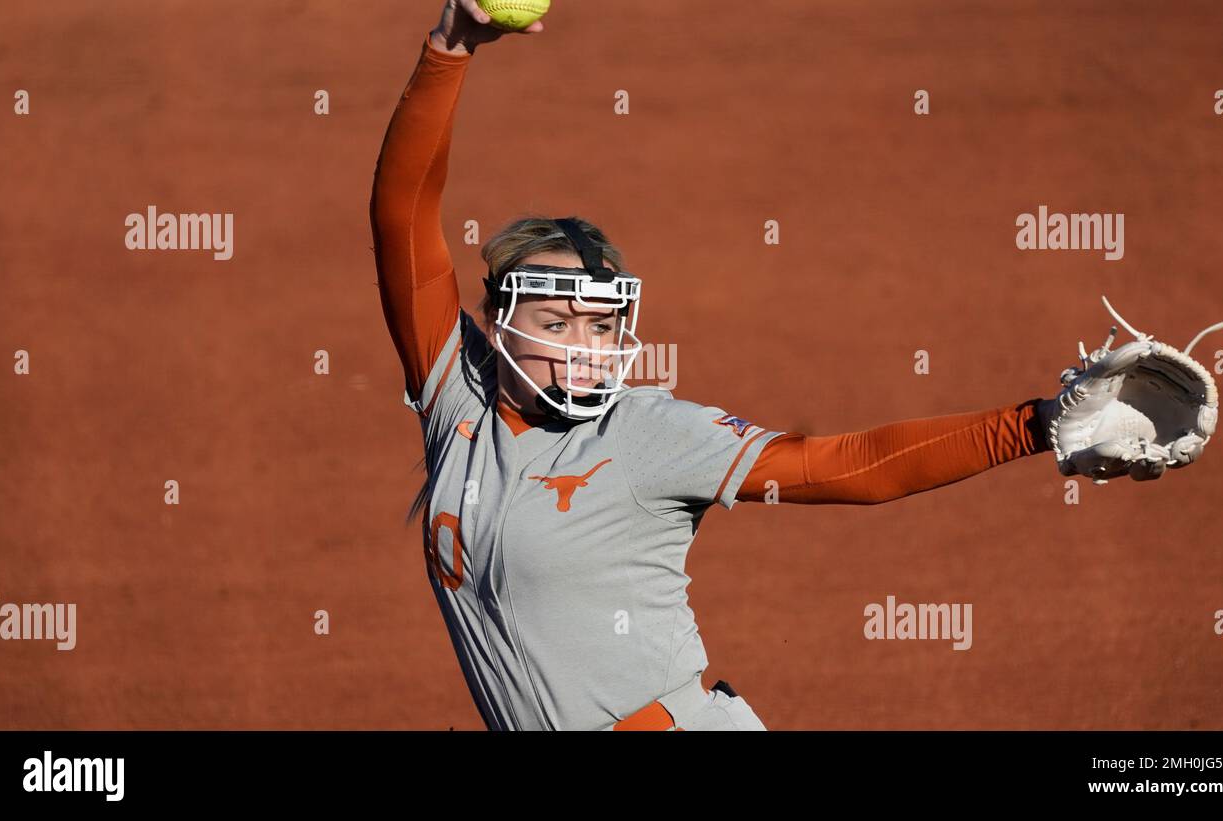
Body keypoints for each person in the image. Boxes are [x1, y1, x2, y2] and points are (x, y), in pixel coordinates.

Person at [369, 1, 1056, 730]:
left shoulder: (641, 432)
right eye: (555, 321)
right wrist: (450, 48)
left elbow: (847, 464)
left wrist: (1033, 426)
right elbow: (402, 215)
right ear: (498, 320)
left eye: (601, 326)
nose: (581, 345)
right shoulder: (458, 399)